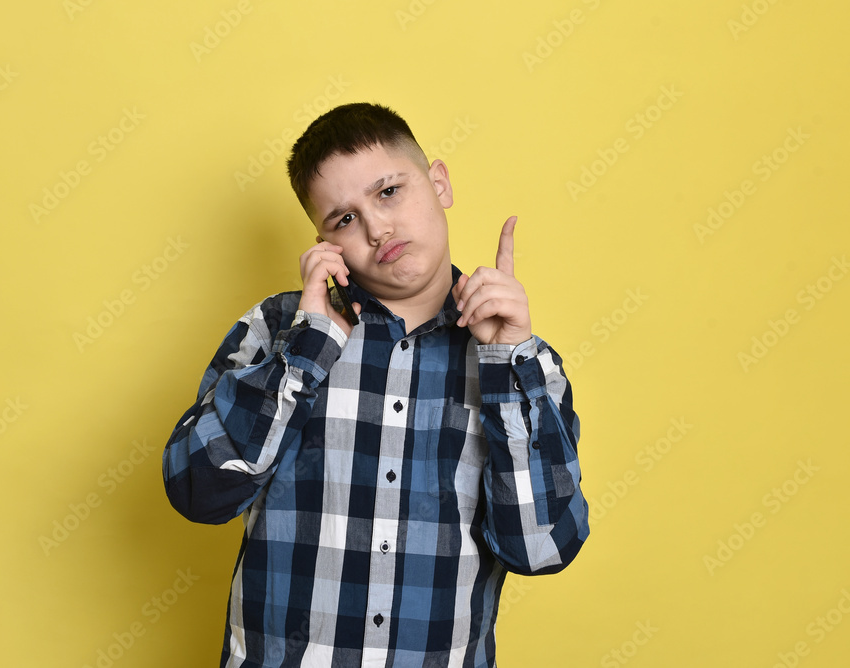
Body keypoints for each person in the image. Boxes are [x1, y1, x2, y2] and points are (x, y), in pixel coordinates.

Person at [162, 102, 589, 667]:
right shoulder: (278, 330)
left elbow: (541, 549)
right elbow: (197, 492)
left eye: (388, 192)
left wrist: (505, 364)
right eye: (344, 218)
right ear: (324, 242)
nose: (377, 228)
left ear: (439, 183)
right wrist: (305, 354)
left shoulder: (522, 363)